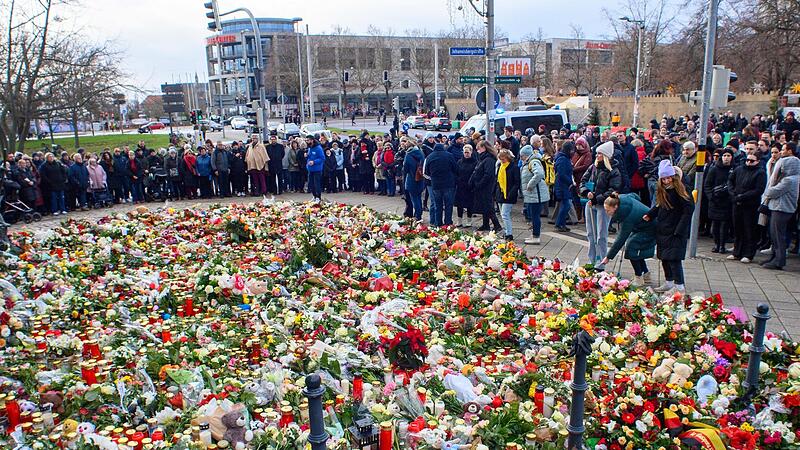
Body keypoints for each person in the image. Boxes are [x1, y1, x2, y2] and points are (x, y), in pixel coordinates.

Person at [643, 160, 694, 294]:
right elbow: (659, 205)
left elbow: (688, 210)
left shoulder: (682, 189)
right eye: (663, 179)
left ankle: (679, 285)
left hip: (676, 229)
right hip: (664, 228)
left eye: (668, 178)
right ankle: (669, 282)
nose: (666, 181)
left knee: (674, 259)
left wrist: (680, 229)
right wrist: (650, 214)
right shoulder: (663, 190)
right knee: (664, 258)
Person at [580, 141, 622, 270]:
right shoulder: (593, 167)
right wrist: (585, 192)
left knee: (601, 235)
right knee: (590, 233)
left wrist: (597, 198)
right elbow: (583, 181)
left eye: (599, 153)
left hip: (603, 205)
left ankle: (601, 262)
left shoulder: (613, 171)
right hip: (590, 203)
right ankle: (592, 260)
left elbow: (613, 190)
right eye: (597, 153)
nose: (597, 155)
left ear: (606, 156)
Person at [600, 192, 657, 285]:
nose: (607, 212)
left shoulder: (627, 216)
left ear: (615, 207)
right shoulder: (621, 198)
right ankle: (646, 274)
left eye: (608, 210)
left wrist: (608, 257)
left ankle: (639, 277)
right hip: (642, 225)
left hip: (650, 228)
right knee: (635, 248)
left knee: (631, 248)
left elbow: (621, 238)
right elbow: (635, 196)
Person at [760, 142, 800, 270]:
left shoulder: (789, 180)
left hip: (782, 209)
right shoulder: (791, 178)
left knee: (778, 236)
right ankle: (774, 257)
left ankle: (779, 261)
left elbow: (771, 191)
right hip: (778, 208)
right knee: (774, 235)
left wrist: (769, 187)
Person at [726, 152, 766, 263]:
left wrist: (742, 196)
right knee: (737, 228)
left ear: (757, 161)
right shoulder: (739, 169)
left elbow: (758, 189)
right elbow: (730, 180)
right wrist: (733, 193)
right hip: (737, 203)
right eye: (747, 160)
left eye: (752, 161)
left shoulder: (760, 173)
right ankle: (737, 252)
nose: (748, 162)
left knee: (749, 230)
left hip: (750, 205)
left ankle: (748, 254)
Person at [704, 149, 734, 253]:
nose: (726, 158)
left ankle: (722, 245)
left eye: (728, 156)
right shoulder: (714, 169)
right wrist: (711, 197)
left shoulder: (734, 169)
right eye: (724, 155)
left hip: (727, 201)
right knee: (715, 225)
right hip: (715, 201)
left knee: (725, 225)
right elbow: (707, 185)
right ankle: (716, 244)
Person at [469, 140, 502, 232]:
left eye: (478, 149)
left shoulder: (489, 159)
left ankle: (497, 225)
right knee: (485, 206)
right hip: (482, 186)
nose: (477, 151)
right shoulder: (484, 158)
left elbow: (488, 174)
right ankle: (485, 224)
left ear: (484, 148)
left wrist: (479, 184)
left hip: (486, 187)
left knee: (488, 206)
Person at [519, 145, 549, 245]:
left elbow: (539, 174)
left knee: (535, 216)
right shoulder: (530, 162)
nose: (521, 158)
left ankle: (536, 236)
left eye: (522, 156)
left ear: (526, 155)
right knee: (532, 215)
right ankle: (534, 234)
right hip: (532, 194)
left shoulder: (533, 162)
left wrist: (530, 184)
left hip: (536, 194)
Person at [425, 143, 458, 227]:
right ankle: (448, 222)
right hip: (448, 183)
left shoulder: (430, 157)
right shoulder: (449, 155)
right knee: (448, 205)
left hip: (436, 184)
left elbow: (426, 171)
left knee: (438, 205)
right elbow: (455, 168)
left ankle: (438, 223)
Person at [495, 149, 520, 240]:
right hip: (500, 193)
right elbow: (497, 180)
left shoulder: (514, 168)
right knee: (503, 215)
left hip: (509, 194)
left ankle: (509, 233)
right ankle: (506, 231)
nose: (502, 161)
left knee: (505, 214)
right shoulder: (500, 166)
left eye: (503, 159)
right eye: (500, 159)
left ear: (508, 158)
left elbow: (516, 183)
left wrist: (511, 193)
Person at [553, 141, 576, 232]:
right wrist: (570, 182)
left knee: (565, 205)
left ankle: (562, 224)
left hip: (564, 185)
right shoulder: (563, 159)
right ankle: (559, 224)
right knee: (566, 205)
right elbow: (561, 174)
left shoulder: (564, 158)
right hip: (562, 186)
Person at [402, 137, 426, 220]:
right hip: (420, 179)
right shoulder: (421, 153)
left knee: (414, 199)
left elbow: (405, 169)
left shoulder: (408, 155)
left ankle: (417, 216)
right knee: (418, 197)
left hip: (411, 179)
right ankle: (419, 214)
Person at [454, 144, 477, 227]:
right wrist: (457, 180)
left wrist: (472, 183)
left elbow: (475, 174)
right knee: (459, 204)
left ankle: (469, 220)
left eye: (468, 152)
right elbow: (456, 172)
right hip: (460, 185)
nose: (466, 154)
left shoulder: (475, 162)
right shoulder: (459, 162)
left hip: (470, 186)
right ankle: (459, 220)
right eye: (465, 152)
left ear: (471, 152)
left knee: (469, 204)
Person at [305, 134, 325, 202]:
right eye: (306, 140)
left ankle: (318, 197)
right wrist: (307, 156)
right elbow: (310, 157)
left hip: (317, 169)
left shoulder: (318, 148)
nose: (307, 142)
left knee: (317, 184)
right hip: (310, 169)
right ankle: (314, 196)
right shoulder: (309, 148)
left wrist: (314, 162)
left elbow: (322, 158)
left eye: (308, 140)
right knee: (311, 184)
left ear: (312, 140)